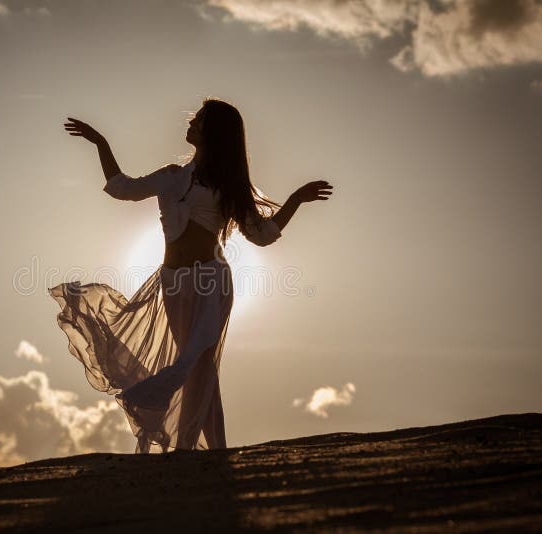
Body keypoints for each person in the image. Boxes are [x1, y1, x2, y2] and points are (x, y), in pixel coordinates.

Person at [48, 98, 333, 453]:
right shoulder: (171, 176)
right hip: (173, 282)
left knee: (198, 362)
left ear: (213, 132)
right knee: (198, 366)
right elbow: (122, 188)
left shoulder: (227, 185)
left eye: (199, 119)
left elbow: (261, 234)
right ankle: (214, 450)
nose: (191, 122)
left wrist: (295, 200)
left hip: (211, 281)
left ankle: (190, 447)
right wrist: (100, 142)